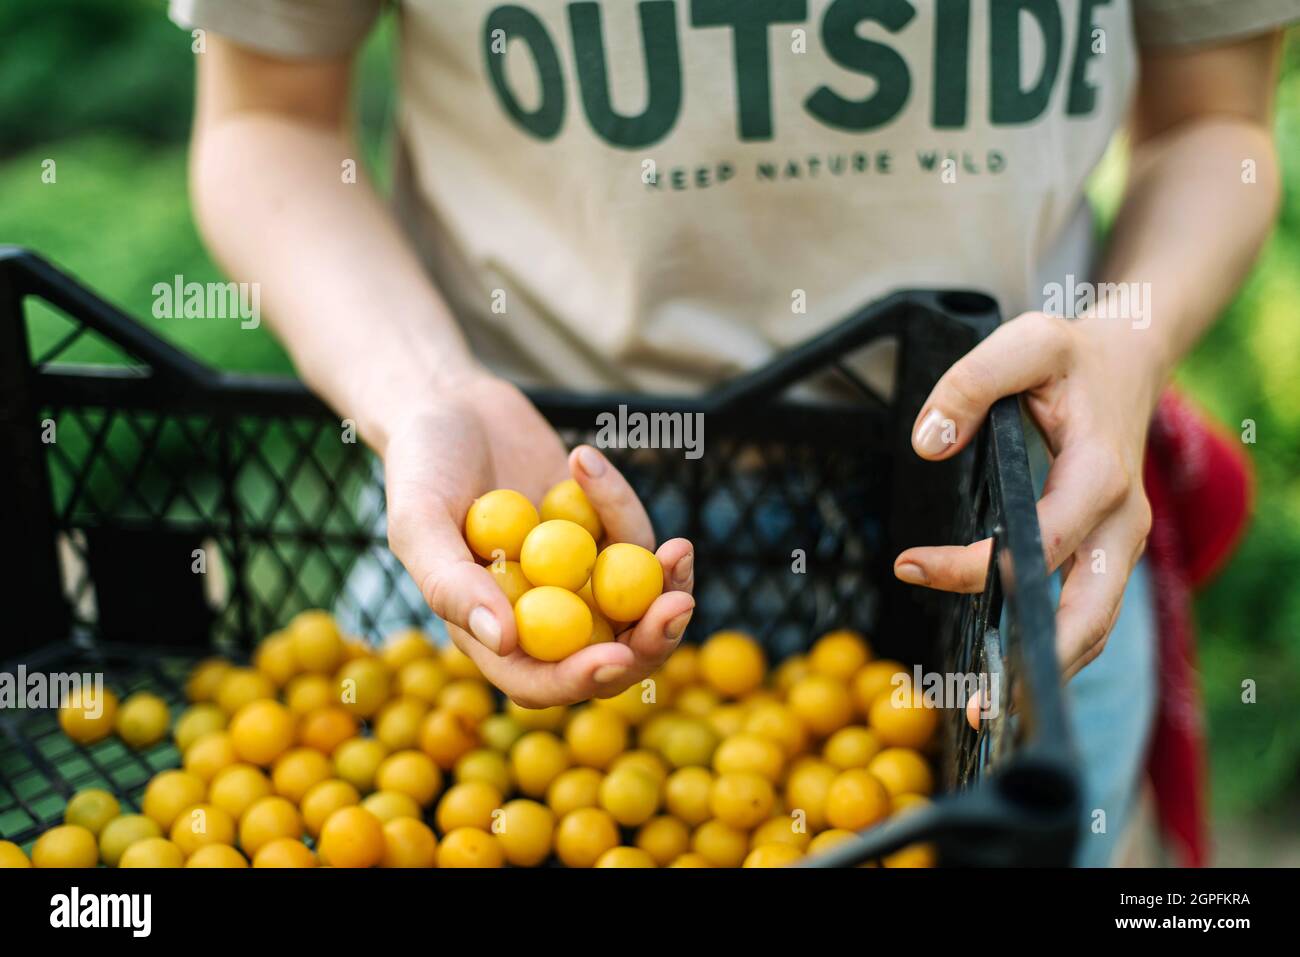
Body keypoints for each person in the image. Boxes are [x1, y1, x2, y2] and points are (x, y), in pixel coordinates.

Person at [168, 0, 1298, 864]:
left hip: (1004, 538)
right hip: (503, 513)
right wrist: (422, 388)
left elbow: (1215, 122)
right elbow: (269, 118)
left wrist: (1126, 339)